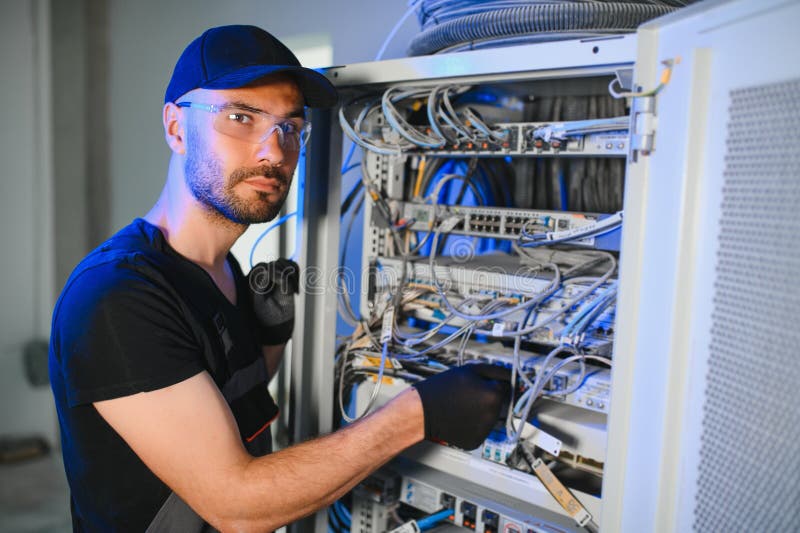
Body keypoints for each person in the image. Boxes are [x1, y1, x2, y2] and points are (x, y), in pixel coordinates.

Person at [49, 25, 509, 532]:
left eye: (290, 127)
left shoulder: (223, 271)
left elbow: (215, 413)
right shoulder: (116, 298)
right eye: (241, 117)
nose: (273, 151)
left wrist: (267, 338)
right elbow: (236, 504)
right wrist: (415, 416)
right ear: (176, 128)